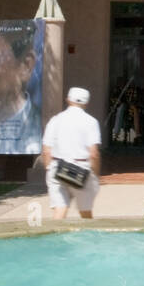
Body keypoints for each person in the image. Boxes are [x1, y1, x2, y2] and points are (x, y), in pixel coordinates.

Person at [41, 87, 103, 220]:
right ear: (86, 103)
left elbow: (46, 150)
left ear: (68, 100)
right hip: (81, 169)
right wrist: (96, 175)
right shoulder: (91, 122)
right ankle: (89, 237)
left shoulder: (55, 120)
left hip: (57, 167)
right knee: (85, 212)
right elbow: (94, 154)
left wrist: (49, 169)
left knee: (60, 208)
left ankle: (55, 238)